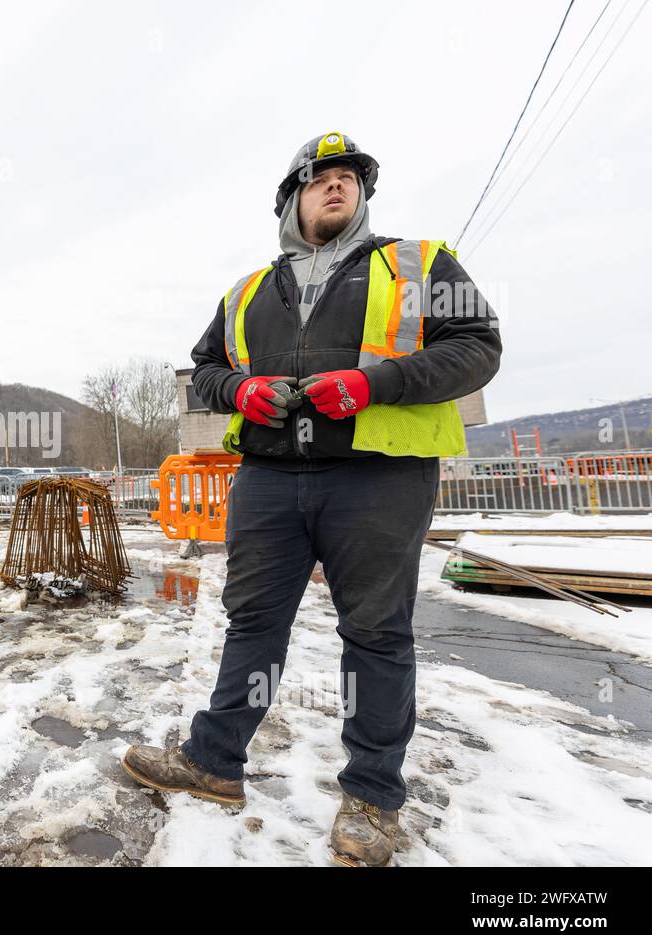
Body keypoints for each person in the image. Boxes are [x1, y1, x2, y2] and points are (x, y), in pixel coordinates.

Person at [121, 132, 501, 866]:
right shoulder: (248, 292)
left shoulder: (417, 265)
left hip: (378, 477)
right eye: (319, 177)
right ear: (292, 198)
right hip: (268, 478)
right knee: (252, 624)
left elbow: (478, 347)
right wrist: (242, 389)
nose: (337, 186)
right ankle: (214, 761)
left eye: (349, 178)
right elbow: (206, 369)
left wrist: (372, 384)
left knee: (376, 634)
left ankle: (372, 796)